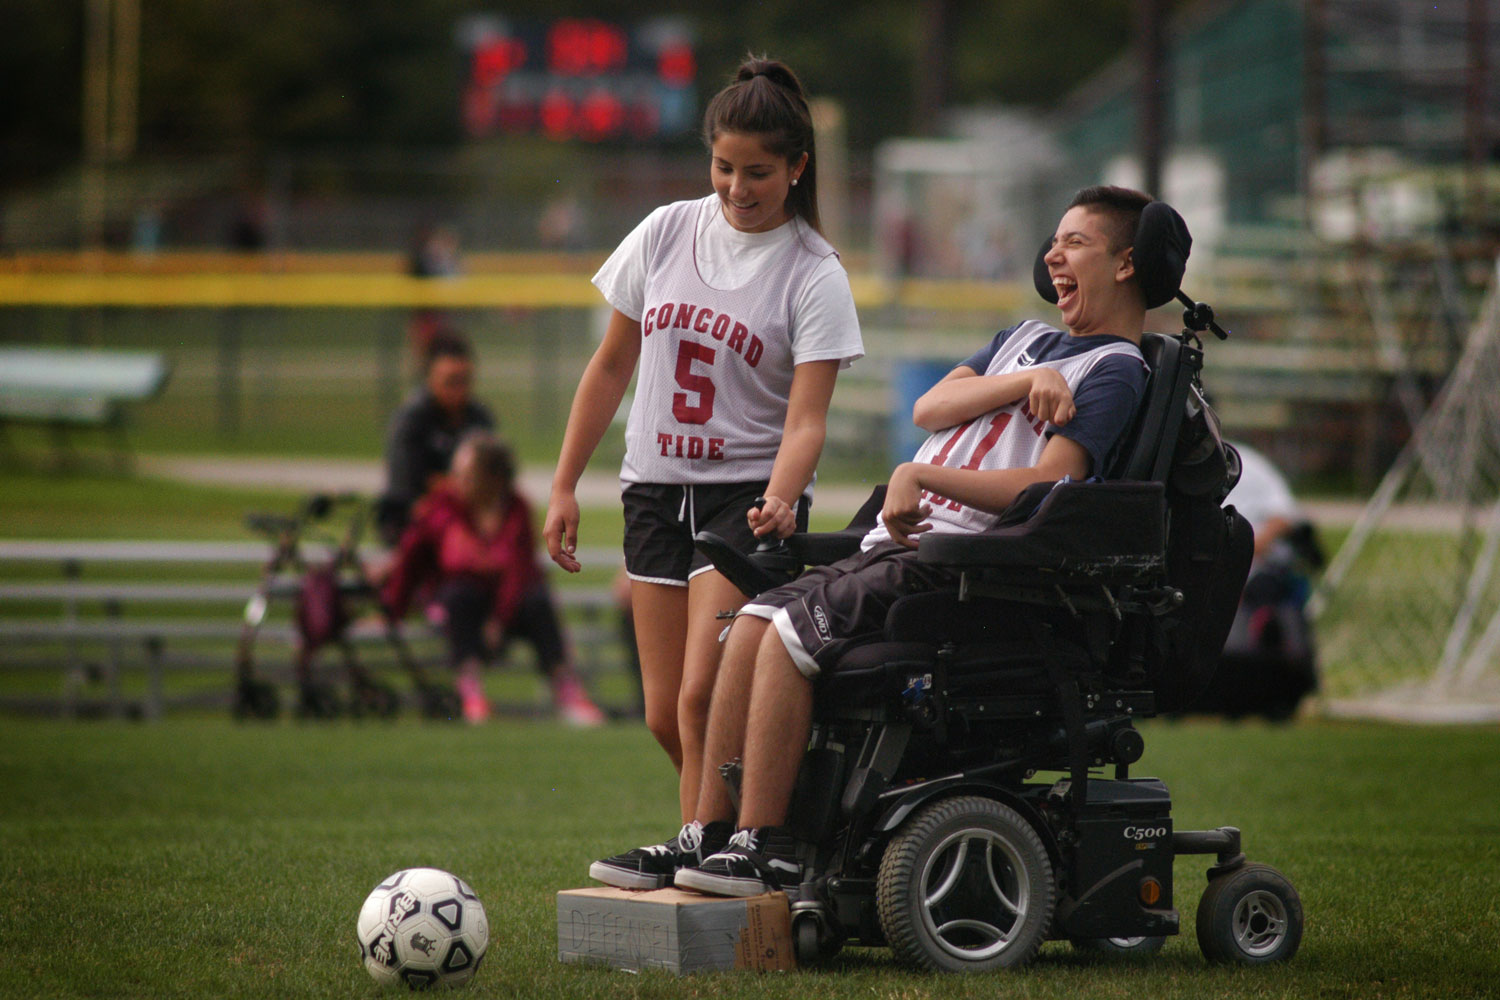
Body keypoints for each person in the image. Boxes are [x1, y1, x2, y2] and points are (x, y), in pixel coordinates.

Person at [588, 185, 1161, 896]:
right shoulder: (1026, 342)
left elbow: (1047, 485)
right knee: (748, 624)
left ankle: (764, 842)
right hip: (908, 546)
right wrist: (1023, 381)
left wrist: (925, 475)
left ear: (1128, 263)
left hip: (967, 561)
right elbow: (932, 404)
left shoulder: (1117, 371)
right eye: (1054, 240)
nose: (1053, 254)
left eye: (1075, 242)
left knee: (789, 636)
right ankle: (704, 834)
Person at [544, 57, 865, 824]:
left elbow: (808, 419)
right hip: (653, 491)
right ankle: (753, 825)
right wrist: (562, 485)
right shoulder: (664, 231)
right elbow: (610, 365)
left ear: (797, 168)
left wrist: (783, 497)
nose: (737, 188)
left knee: (702, 695)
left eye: (758, 172)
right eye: (724, 167)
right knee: (664, 714)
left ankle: (705, 848)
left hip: (746, 499)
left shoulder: (814, 272)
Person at [379, 431, 605, 726]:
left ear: (492, 479)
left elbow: (519, 570)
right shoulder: (442, 505)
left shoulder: (515, 509)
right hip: (461, 603)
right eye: (456, 474)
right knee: (459, 595)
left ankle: (566, 689)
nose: (457, 481)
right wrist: (393, 608)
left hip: (507, 606)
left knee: (536, 600)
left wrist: (498, 620)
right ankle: (471, 691)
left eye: (466, 476)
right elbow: (411, 558)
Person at [378, 331, 496, 546]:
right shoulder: (411, 420)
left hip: (468, 524)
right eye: (451, 381)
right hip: (411, 524)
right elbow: (410, 488)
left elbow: (495, 483)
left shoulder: (479, 417)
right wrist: (461, 488)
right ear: (430, 377)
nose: (459, 390)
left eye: (465, 380)